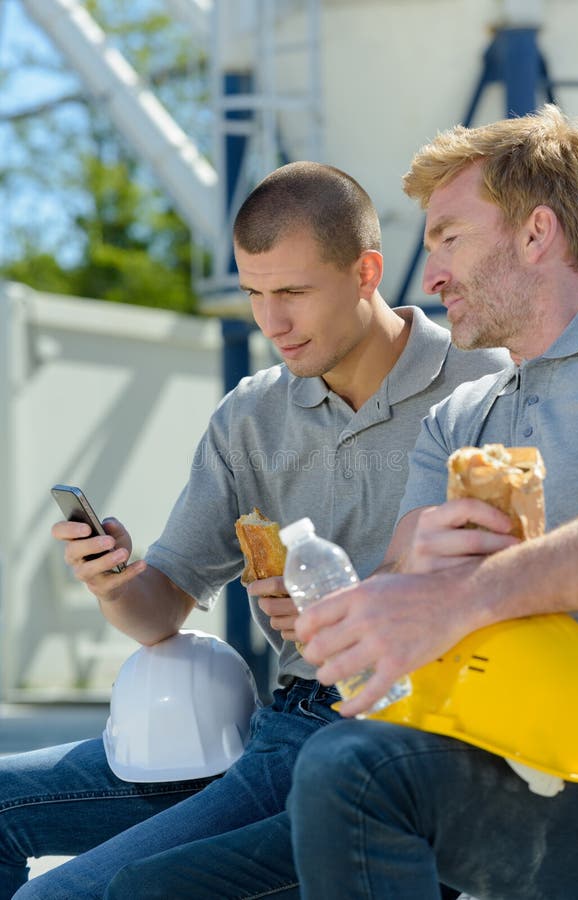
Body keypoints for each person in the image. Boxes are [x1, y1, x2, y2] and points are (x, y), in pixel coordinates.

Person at [1, 162, 506, 899]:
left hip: (407, 722)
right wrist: (112, 578)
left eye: (294, 293)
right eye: (254, 294)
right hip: (284, 720)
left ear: (366, 272)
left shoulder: (482, 383)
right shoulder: (251, 415)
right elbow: (160, 607)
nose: (272, 323)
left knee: (68, 896)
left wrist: (341, 612)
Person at [283, 104, 578, 899]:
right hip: (506, 751)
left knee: (347, 774)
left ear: (535, 235)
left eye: (449, 238)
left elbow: (453, 603)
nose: (428, 279)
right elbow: (404, 593)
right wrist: (387, 587)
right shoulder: (459, 418)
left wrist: (468, 592)